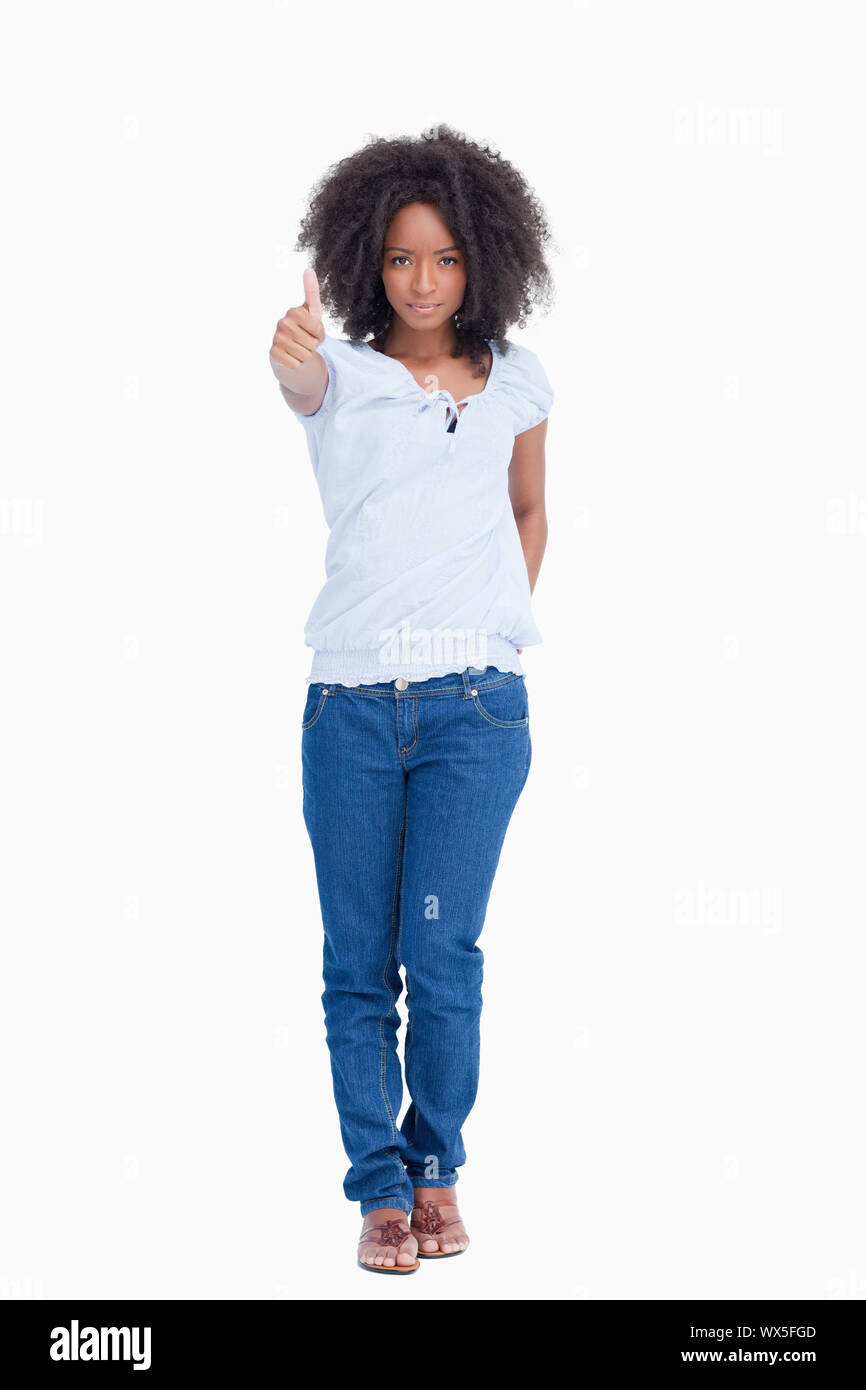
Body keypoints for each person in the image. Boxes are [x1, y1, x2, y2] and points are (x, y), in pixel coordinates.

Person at [268, 124, 555, 1274]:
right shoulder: (335, 373)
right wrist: (291, 349)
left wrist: (483, 624)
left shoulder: (519, 378)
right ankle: (377, 1193)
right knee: (355, 963)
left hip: (472, 716)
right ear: (364, 263)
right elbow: (295, 380)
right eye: (398, 259)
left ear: (481, 257)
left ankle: (436, 1170)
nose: (422, 280)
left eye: (442, 258)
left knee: (440, 959)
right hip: (346, 711)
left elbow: (530, 511)